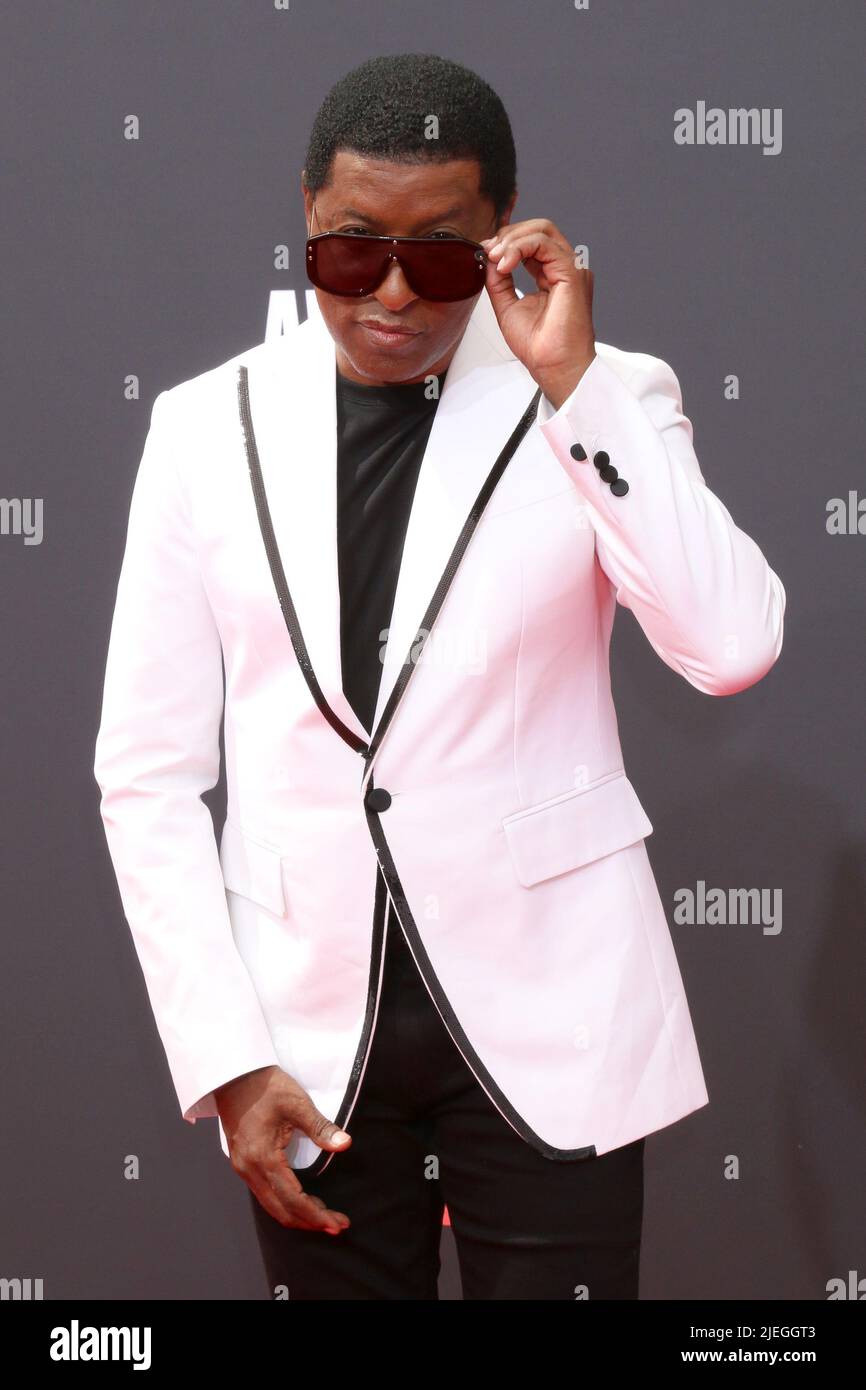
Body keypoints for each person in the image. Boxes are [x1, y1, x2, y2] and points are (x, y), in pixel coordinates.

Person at [93, 53, 786, 1300]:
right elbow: (144, 774)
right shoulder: (203, 428)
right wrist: (224, 1055)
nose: (395, 293)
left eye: (444, 257)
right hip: (305, 1043)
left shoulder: (599, 396)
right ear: (305, 217)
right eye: (354, 249)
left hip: (551, 1020)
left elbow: (729, 645)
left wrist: (570, 384)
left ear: (504, 243)